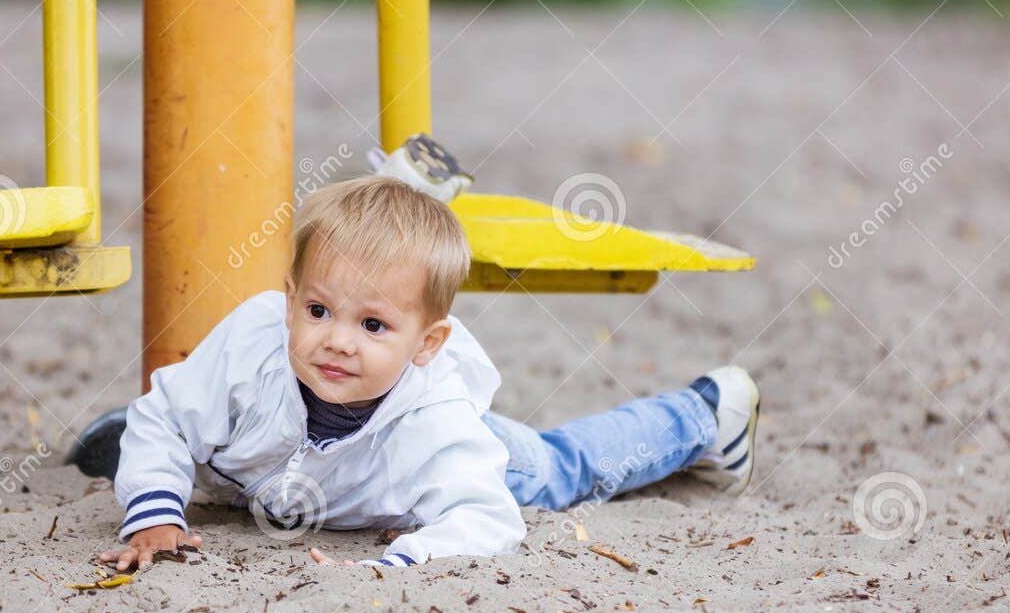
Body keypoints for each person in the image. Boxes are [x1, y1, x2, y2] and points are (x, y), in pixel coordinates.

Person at [92, 175, 759, 571]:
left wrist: (404, 558)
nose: (337, 340)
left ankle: (705, 416)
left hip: (435, 460)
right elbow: (162, 416)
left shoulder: (438, 425)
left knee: (561, 467)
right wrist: (155, 511)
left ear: (427, 340)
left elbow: (489, 518)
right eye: (319, 309)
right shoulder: (252, 344)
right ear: (290, 297)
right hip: (293, 478)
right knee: (180, 428)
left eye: (373, 325)